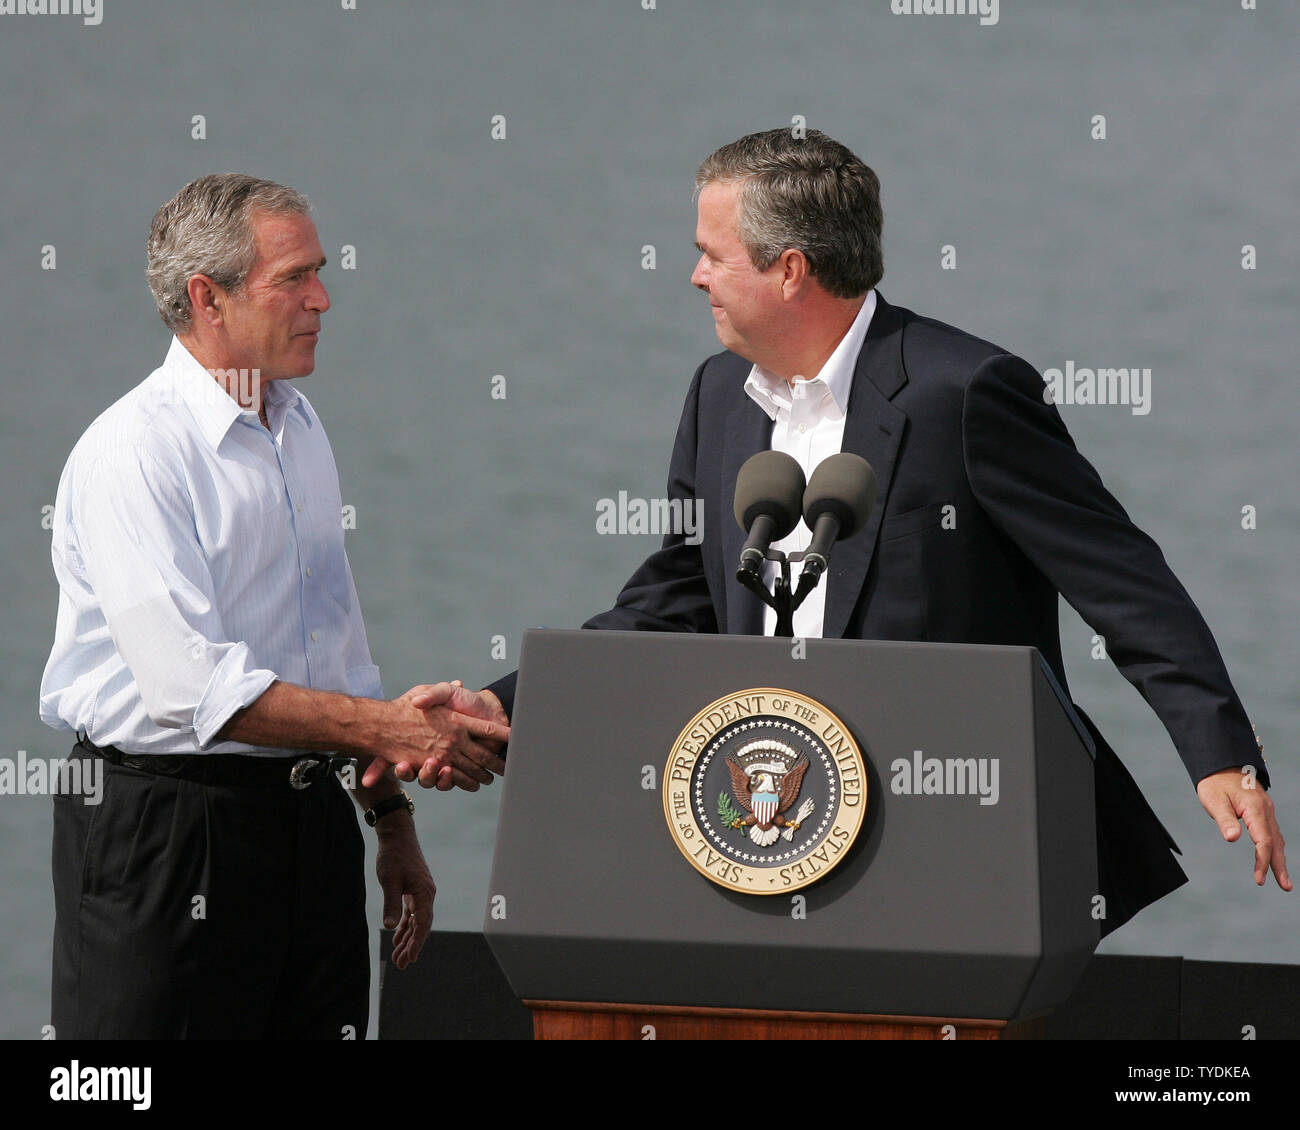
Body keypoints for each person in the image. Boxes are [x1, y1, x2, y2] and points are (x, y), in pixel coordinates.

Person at [441, 128, 1289, 935]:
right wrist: (506, 703)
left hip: (954, 833)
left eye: (712, 254)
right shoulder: (717, 396)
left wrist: (1219, 754)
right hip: (768, 836)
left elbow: (1120, 578)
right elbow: (677, 598)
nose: (695, 277)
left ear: (790, 271)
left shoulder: (963, 393)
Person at [38, 174, 508, 1039]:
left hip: (310, 823)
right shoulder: (130, 454)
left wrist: (389, 823)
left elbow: (336, 655)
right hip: (166, 836)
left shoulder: (299, 427)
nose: (322, 299)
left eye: (318, 272)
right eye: (293, 279)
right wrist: (390, 731)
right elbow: (189, 690)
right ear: (206, 299)